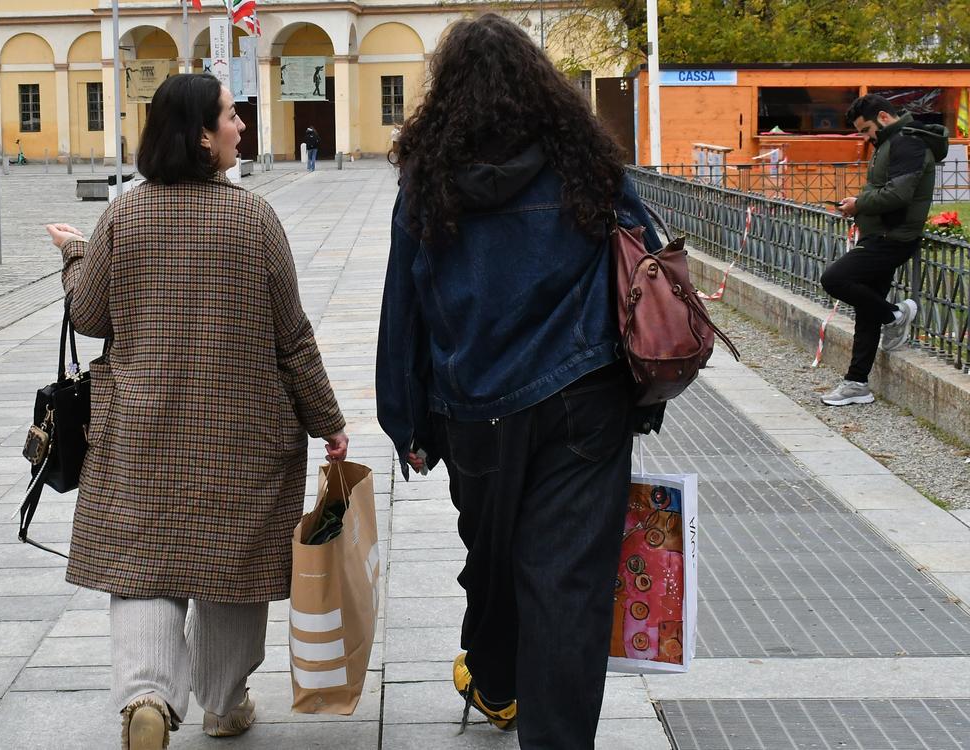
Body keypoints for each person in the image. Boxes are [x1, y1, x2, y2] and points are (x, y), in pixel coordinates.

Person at [376, 14, 662, 749]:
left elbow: (402, 305)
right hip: (585, 401)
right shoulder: (586, 164)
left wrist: (404, 419)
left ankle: (496, 676)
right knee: (568, 584)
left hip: (475, 409)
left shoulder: (428, 176)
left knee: (495, 559)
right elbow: (646, 269)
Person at [43, 73, 348, 750]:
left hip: (142, 429)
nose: (241, 126)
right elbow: (292, 338)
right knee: (231, 565)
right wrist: (328, 421)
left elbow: (89, 316)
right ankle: (222, 703)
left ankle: (149, 698)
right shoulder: (253, 218)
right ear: (201, 134)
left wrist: (73, 255)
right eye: (230, 116)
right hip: (244, 432)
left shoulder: (125, 215)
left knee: (144, 564)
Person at [820, 94, 948, 406]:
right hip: (880, 234)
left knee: (834, 279)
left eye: (866, 130)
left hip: (893, 238)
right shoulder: (890, 143)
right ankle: (856, 383)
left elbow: (899, 194)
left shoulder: (908, 143)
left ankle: (895, 315)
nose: (865, 138)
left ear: (884, 117)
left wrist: (859, 203)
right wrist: (857, 204)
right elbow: (884, 189)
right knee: (867, 310)